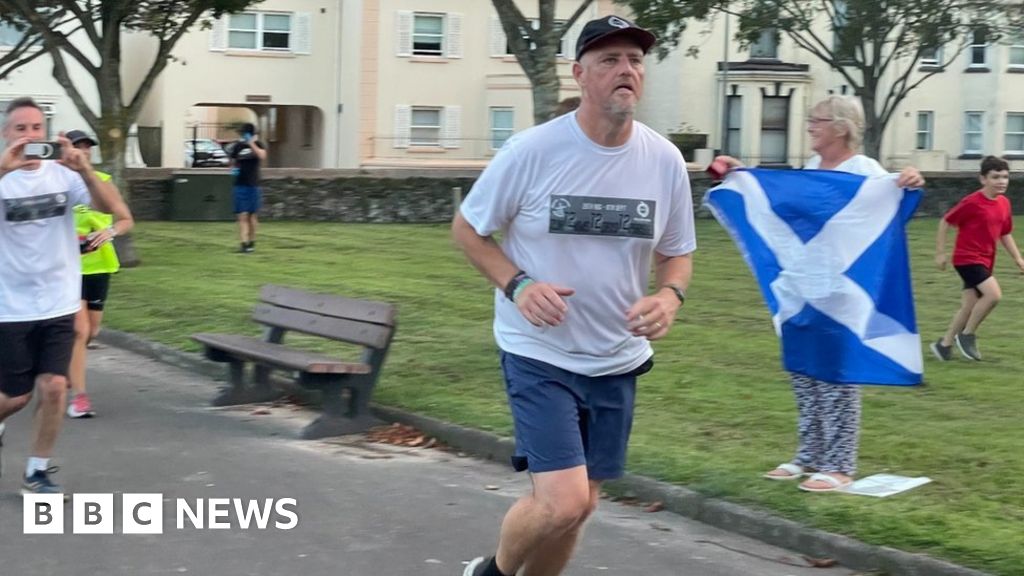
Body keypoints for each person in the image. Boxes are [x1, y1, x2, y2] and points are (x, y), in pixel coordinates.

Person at [452, 16, 696, 576]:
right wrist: (518, 284)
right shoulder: (532, 151)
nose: (626, 70)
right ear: (580, 73)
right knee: (560, 500)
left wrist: (670, 297)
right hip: (541, 353)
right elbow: (468, 229)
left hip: (616, 357)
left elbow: (678, 251)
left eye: (635, 60)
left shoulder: (662, 161)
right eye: (610, 60)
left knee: (581, 506)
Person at [714, 95, 925, 493]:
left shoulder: (864, 171)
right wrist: (745, 176)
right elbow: (783, 206)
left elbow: (889, 212)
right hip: (801, 288)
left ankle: (840, 463)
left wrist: (909, 181)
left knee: (837, 375)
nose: (809, 126)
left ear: (841, 127)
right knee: (804, 371)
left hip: (841, 292)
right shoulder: (811, 170)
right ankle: (809, 454)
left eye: (818, 120)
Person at [0, 97, 131, 493]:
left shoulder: (64, 174)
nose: (29, 137)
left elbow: (115, 211)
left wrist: (87, 171)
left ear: (46, 132)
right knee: (15, 397)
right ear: (7, 134)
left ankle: (37, 471)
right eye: (20, 129)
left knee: (56, 386)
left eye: (36, 128)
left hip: (58, 302)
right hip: (10, 306)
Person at [64, 129, 135, 417]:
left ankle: (69, 367)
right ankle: (79, 398)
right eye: (76, 146)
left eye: (87, 147)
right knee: (79, 330)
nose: (83, 151)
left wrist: (110, 231)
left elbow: (126, 218)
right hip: (69, 267)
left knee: (91, 330)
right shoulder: (57, 183)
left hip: (100, 265)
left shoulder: (103, 183)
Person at [931, 156, 1024, 361]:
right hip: (967, 259)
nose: (1001, 181)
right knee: (993, 295)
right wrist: (940, 253)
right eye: (995, 177)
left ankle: (944, 345)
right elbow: (946, 221)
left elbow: (1005, 233)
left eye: (1005, 177)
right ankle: (967, 335)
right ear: (983, 179)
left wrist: (1018, 258)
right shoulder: (972, 202)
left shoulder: (1004, 203)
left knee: (970, 305)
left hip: (986, 259)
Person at [228, 122, 266, 253]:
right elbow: (232, 163)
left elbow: (262, 156)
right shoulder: (237, 147)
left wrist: (251, 143)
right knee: (242, 216)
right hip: (240, 184)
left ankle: (252, 242)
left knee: (252, 216)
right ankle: (244, 244)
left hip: (253, 184)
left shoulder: (259, 145)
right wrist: (233, 169)